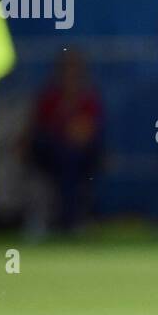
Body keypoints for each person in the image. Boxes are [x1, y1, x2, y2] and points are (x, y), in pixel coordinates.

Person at [25, 52, 104, 233]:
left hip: (79, 157)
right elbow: (37, 129)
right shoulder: (49, 99)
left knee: (71, 159)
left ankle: (70, 221)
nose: (71, 75)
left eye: (75, 71)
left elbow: (85, 133)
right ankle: (50, 220)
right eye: (67, 70)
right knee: (57, 155)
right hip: (50, 155)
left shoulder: (88, 100)